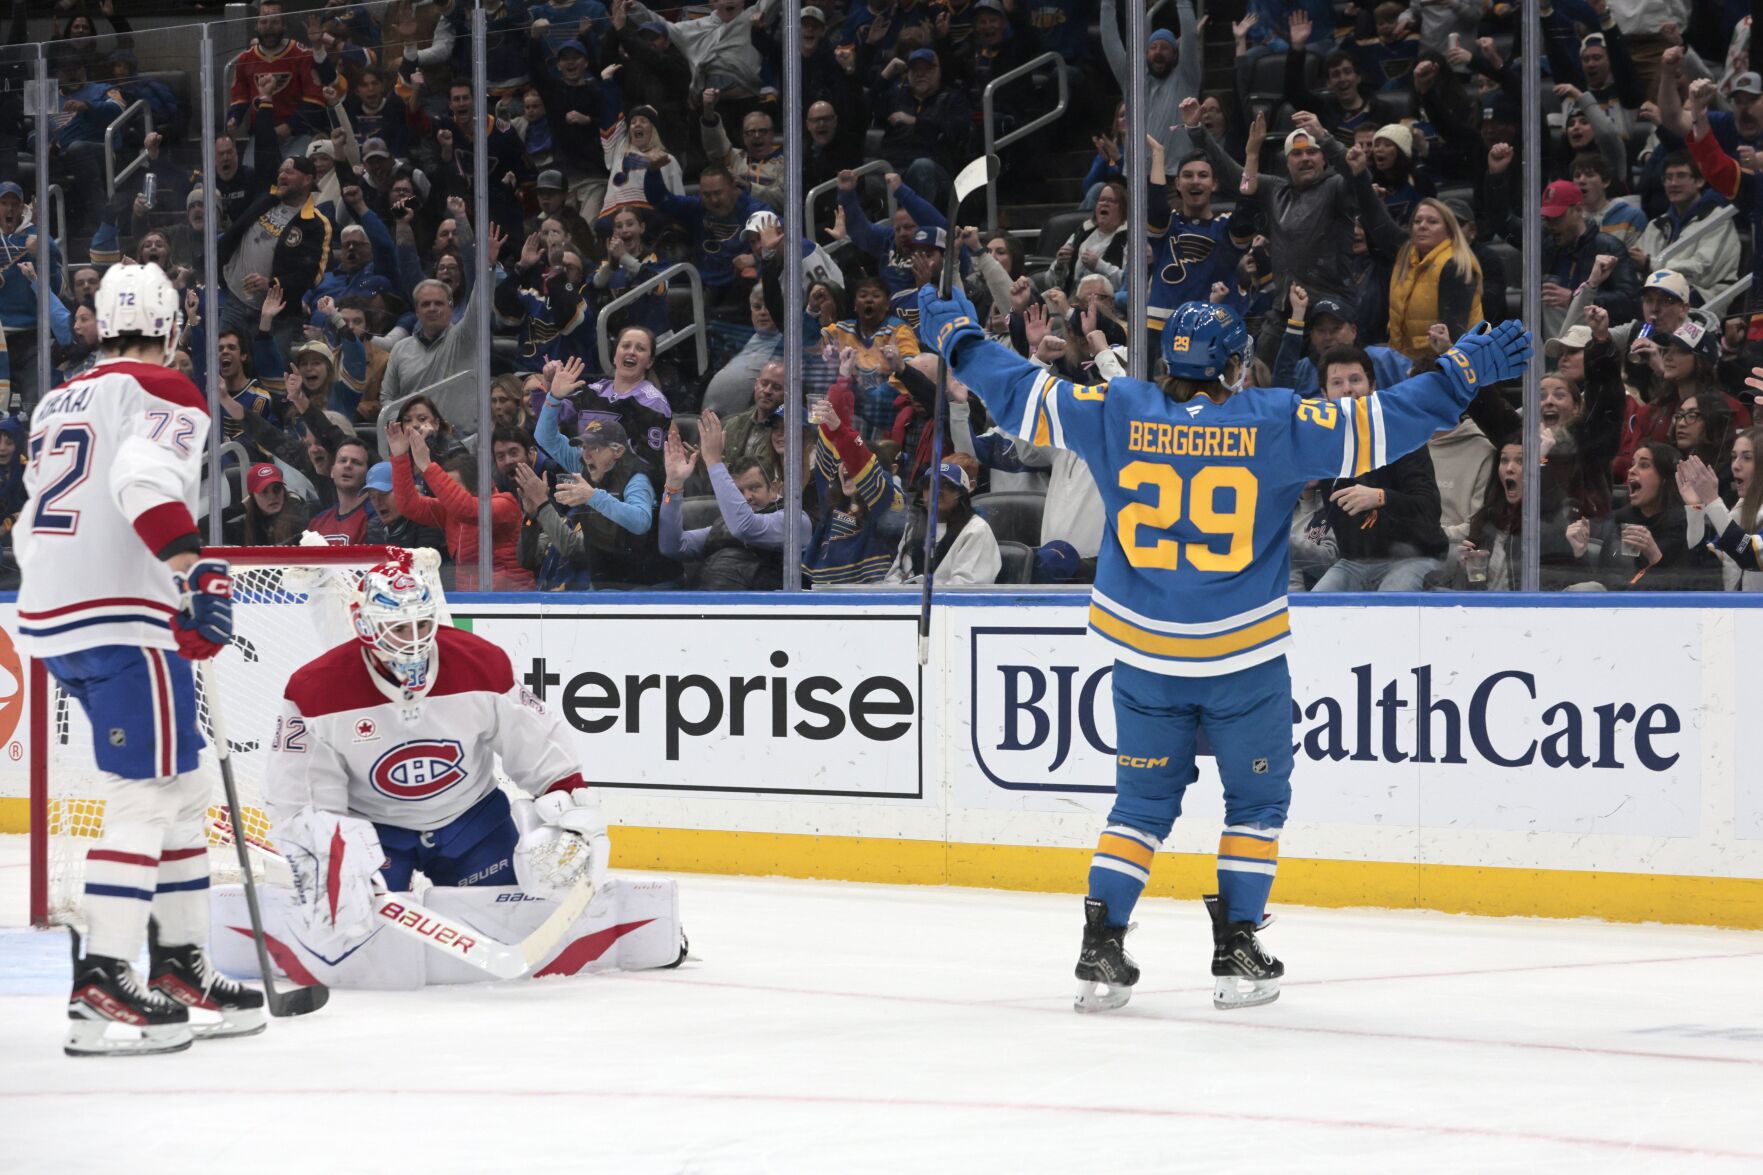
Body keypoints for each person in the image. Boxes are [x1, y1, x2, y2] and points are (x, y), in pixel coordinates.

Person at [914, 282, 1532, 1012]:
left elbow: (1019, 391)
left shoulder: (1119, 409)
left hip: (1144, 653)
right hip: (1241, 657)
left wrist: (957, 337)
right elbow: (1384, 422)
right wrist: (1460, 373)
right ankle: (1236, 944)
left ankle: (1099, 945)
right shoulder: (1273, 420)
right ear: (1236, 364)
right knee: (1256, 801)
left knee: (1139, 806)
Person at [15, 263, 263, 1055]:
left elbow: (41, 506)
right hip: (122, 617)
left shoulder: (59, 398)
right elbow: (142, 480)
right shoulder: (167, 392)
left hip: (54, 615)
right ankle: (103, 981)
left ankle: (180, 962)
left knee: (182, 786)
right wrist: (189, 569)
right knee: (149, 794)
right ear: (173, 327)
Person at [262, 553, 687, 980]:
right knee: (349, 926)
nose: (413, 641)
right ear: (367, 627)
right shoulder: (315, 689)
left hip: (472, 822)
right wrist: (331, 853)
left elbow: (537, 743)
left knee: (518, 908)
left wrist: (570, 807)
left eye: (422, 625)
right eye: (398, 628)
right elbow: (301, 792)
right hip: (377, 831)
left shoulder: (479, 662)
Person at [658, 412, 811, 590]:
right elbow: (673, 546)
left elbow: (745, 527)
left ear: (775, 488)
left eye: (754, 488)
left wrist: (713, 461)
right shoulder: (724, 526)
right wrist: (673, 486)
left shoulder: (795, 521)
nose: (747, 497)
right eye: (738, 491)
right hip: (709, 608)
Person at [387, 420, 535, 591]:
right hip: (471, 604)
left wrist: (427, 466)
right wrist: (400, 458)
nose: (446, 493)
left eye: (452, 487)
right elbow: (409, 505)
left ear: (476, 486)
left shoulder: (504, 503)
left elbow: (466, 508)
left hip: (513, 602)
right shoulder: (450, 511)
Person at [884, 459, 1001, 584]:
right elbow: (893, 578)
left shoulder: (976, 530)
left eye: (947, 485)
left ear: (962, 494)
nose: (937, 491)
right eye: (930, 485)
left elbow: (966, 590)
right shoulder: (914, 527)